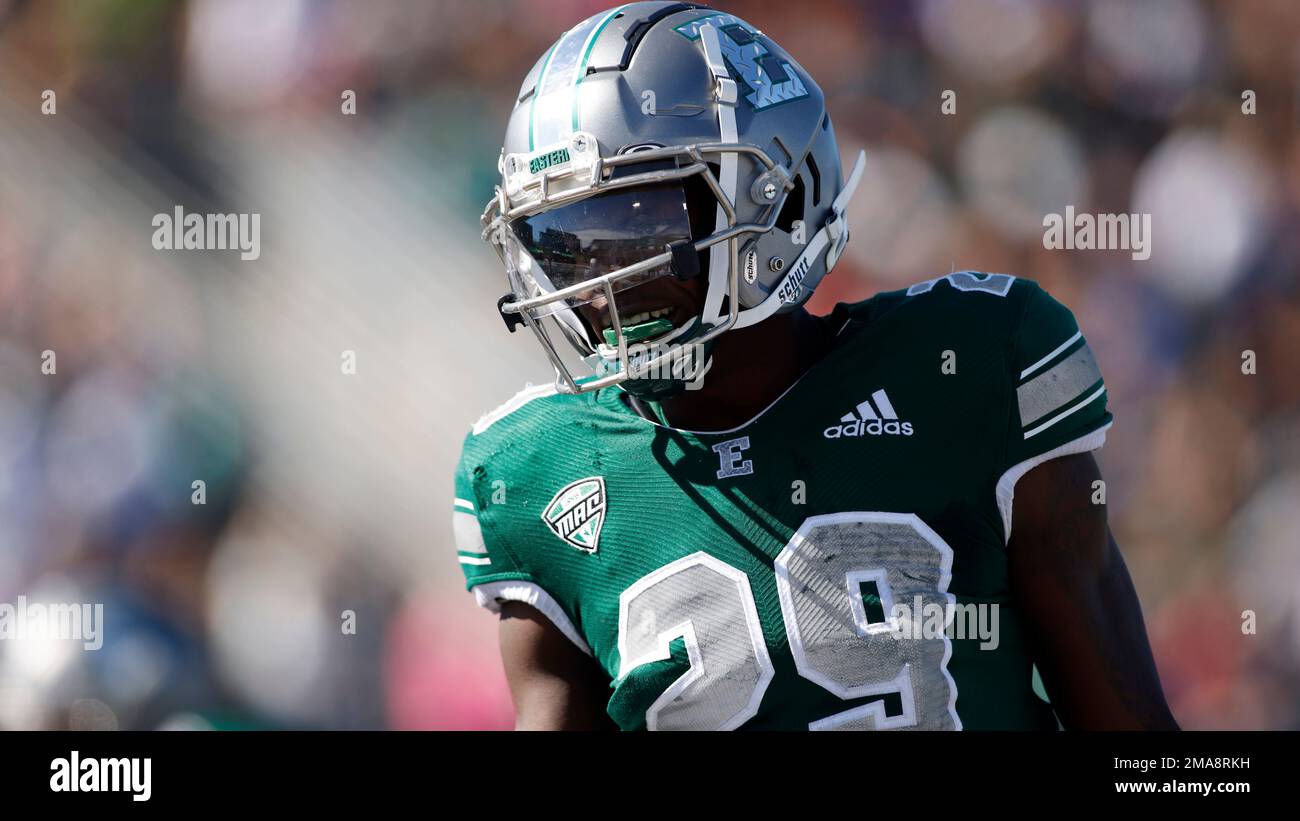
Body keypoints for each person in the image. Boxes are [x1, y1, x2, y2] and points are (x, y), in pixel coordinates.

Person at [454, 1, 1177, 730]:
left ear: (782, 199)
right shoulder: (538, 471)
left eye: (637, 222)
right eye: (562, 240)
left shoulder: (972, 368)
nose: (599, 279)